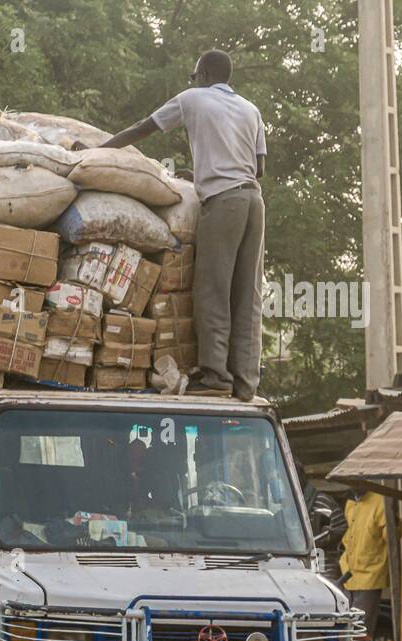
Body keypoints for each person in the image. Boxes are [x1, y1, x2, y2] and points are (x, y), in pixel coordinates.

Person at [99, 49, 267, 401]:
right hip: (253, 201)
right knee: (246, 293)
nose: (193, 82)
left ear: (202, 75)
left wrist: (99, 151)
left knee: (212, 290)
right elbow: (258, 166)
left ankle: (216, 377)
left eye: (194, 76)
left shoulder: (192, 99)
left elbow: (142, 129)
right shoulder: (251, 110)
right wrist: (206, 171)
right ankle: (245, 382)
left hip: (223, 204)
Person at [339, 490, 388, 641]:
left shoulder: (380, 502)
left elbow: (392, 538)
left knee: (359, 635)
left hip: (369, 577)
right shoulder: (351, 503)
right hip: (348, 574)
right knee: (345, 632)